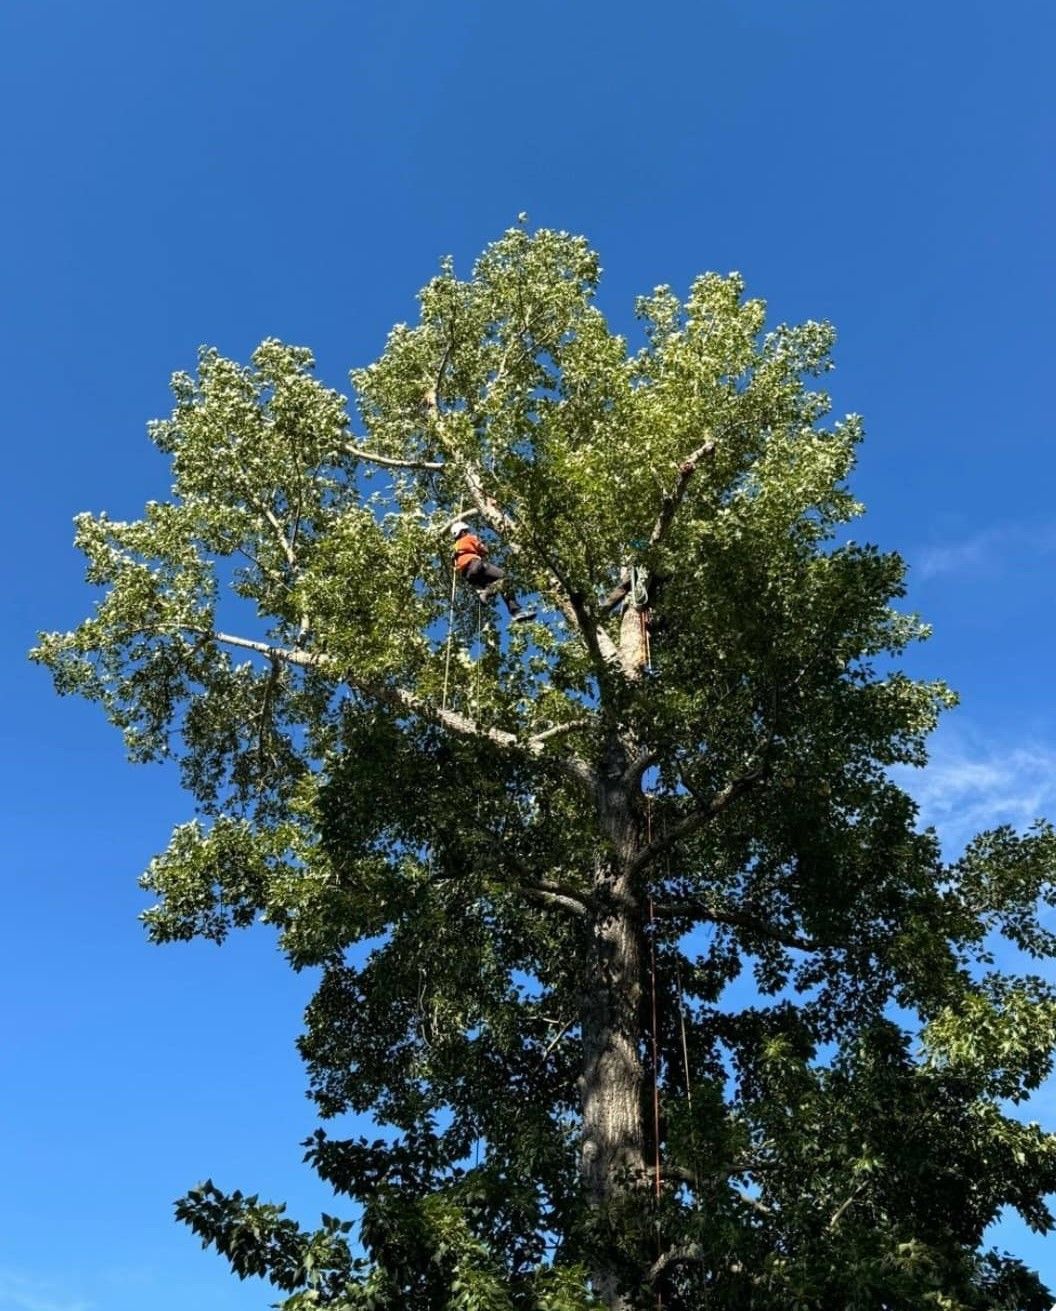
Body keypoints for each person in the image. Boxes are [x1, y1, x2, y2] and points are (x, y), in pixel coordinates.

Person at [450, 522, 536, 623]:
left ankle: (486, 592)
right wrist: (481, 543)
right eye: (467, 531)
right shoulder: (469, 538)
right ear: (463, 532)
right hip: (476, 566)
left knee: (497, 585)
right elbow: (485, 550)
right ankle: (515, 611)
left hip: (469, 576)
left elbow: (456, 566)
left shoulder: (456, 548)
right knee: (505, 578)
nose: (469, 532)